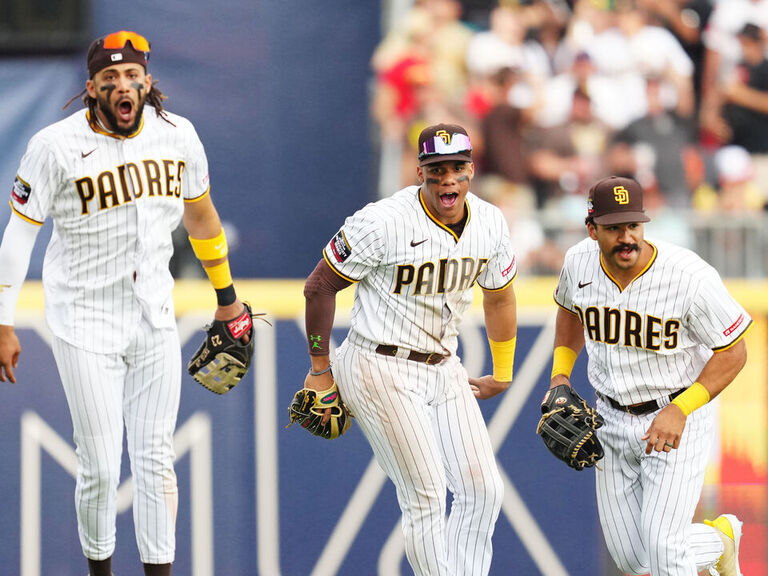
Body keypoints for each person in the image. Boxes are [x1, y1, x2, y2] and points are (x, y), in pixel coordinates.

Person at [0, 31, 251, 576]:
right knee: (98, 466)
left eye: (132, 75)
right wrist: (3, 321)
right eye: (109, 77)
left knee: (156, 459)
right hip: (83, 320)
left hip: (153, 315)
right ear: (92, 88)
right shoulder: (54, 146)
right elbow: (19, 234)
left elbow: (201, 218)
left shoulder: (178, 135)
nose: (122, 85)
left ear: (146, 82)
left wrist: (228, 299)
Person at [303, 123, 517, 575]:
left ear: (472, 169)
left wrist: (502, 370)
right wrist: (320, 368)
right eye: (437, 169)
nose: (448, 179)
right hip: (378, 363)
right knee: (426, 494)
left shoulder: (491, 222)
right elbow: (320, 286)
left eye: (457, 167)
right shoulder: (382, 221)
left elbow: (499, 297)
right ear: (420, 172)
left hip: (445, 365)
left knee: (483, 490)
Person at [548, 175, 750, 576]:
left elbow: (734, 352)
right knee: (632, 559)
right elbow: (570, 312)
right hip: (609, 416)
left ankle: (703, 546)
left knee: (664, 550)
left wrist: (682, 408)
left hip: (676, 413)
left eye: (633, 225)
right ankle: (718, 541)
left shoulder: (688, 276)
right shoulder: (578, 262)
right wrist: (560, 376)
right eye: (613, 228)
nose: (627, 238)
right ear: (592, 229)